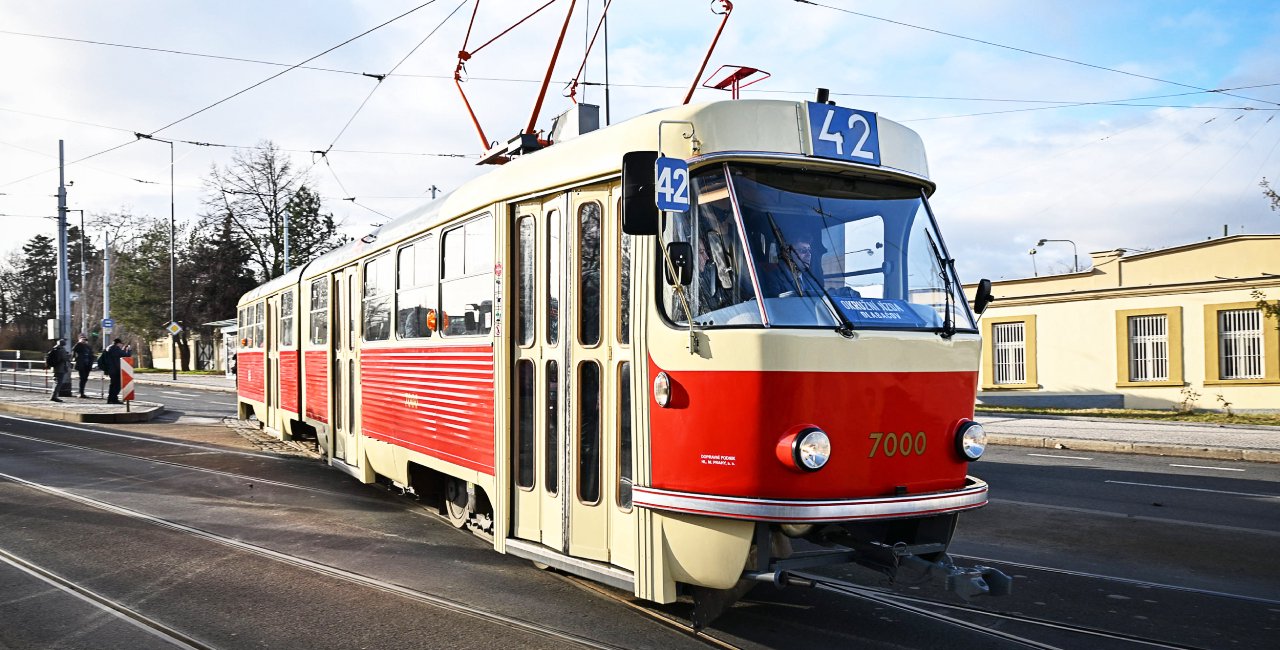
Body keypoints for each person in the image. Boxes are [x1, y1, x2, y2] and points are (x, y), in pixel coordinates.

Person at [100, 338, 133, 404]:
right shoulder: (114, 348)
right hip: (115, 370)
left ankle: (111, 399)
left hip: (111, 369)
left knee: (113, 385)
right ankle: (113, 399)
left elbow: (119, 354)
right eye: (121, 344)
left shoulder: (110, 348)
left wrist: (123, 350)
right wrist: (129, 350)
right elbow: (126, 355)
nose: (121, 346)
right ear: (118, 343)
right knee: (116, 385)